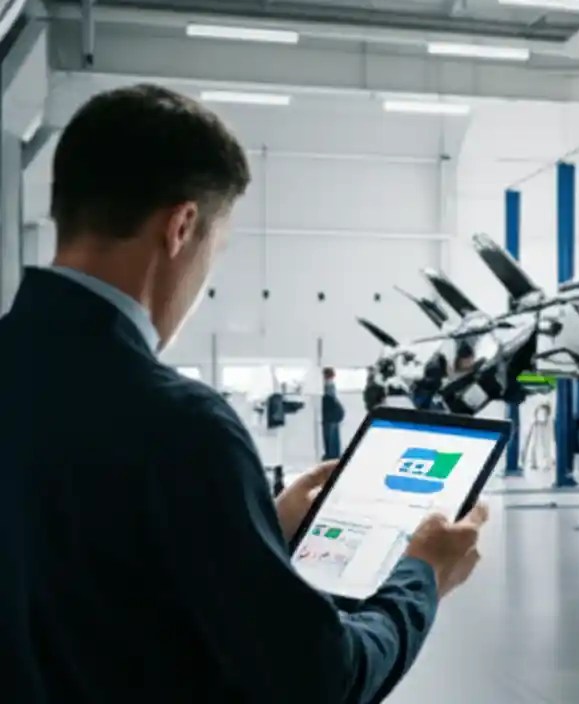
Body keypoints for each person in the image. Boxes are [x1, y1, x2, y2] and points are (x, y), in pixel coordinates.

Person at [0, 84, 488, 703]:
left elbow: (81, 571)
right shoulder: (180, 423)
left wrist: (254, 526)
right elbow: (320, 678)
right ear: (182, 226)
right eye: (216, 248)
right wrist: (422, 574)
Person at [321, 367, 346, 459]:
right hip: (333, 415)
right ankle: (334, 455)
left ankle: (331, 455)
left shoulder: (326, 386)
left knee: (329, 436)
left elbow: (329, 400)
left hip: (330, 415)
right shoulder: (330, 385)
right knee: (334, 436)